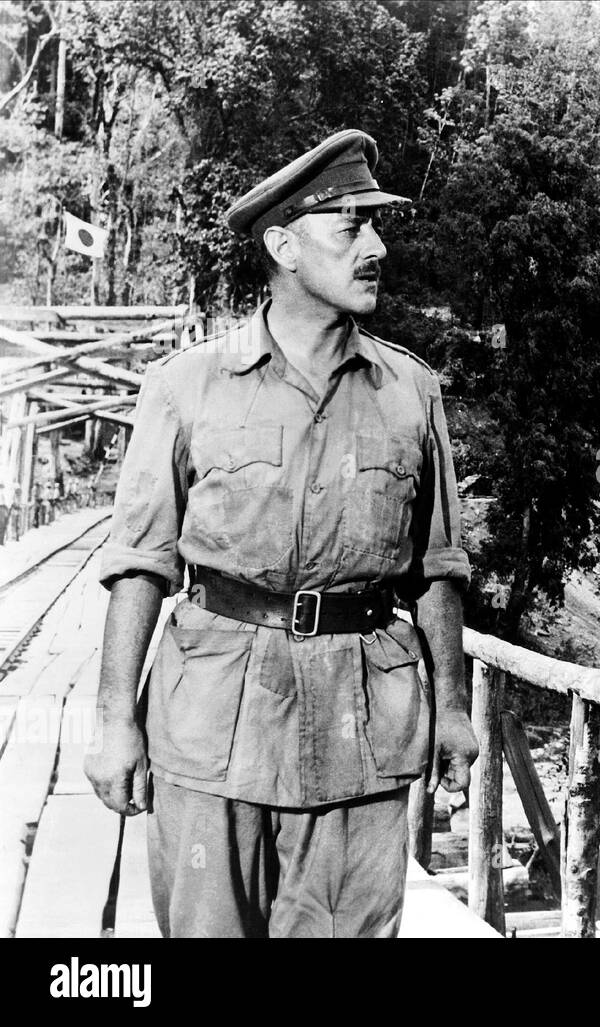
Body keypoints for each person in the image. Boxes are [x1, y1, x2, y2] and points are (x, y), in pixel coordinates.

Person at [86, 129, 478, 938]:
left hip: (361, 727)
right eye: (350, 226)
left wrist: (452, 709)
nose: (376, 247)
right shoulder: (185, 387)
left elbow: (437, 568)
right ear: (283, 245)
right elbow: (139, 566)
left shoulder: (412, 390)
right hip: (211, 717)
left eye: (377, 225)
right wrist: (114, 721)